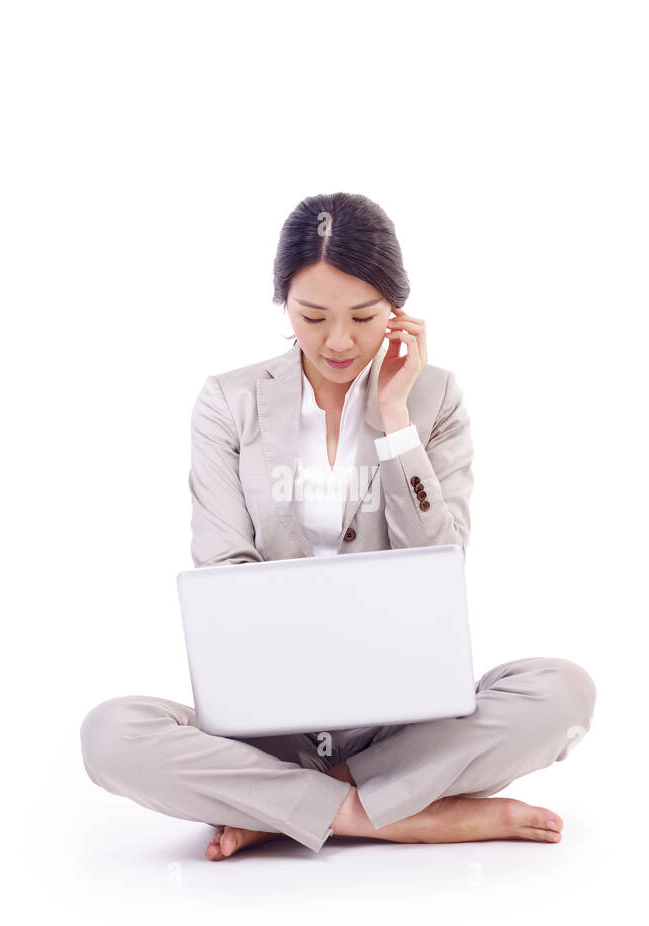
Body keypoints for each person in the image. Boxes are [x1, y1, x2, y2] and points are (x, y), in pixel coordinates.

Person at [80, 192, 596, 861]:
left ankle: (283, 807)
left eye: (364, 316)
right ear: (283, 303)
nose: (339, 341)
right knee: (111, 733)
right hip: (267, 723)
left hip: (402, 721)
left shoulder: (434, 398)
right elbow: (224, 573)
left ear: (398, 310)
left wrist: (393, 416)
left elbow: (438, 566)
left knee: (563, 690)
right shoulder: (229, 401)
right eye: (312, 316)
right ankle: (396, 814)